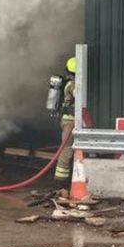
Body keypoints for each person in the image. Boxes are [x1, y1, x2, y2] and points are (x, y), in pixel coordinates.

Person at [53, 56, 77, 186]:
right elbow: (78, 95)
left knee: (70, 149)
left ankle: (66, 180)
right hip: (70, 121)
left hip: (72, 120)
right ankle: (61, 182)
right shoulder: (72, 84)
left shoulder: (69, 82)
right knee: (67, 150)